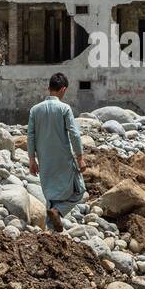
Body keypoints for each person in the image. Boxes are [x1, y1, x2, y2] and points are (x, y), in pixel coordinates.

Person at [27, 72, 85, 231]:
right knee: (79, 190)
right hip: (63, 159)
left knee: (50, 195)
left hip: (44, 160)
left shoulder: (35, 110)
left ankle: (51, 231)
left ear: (48, 88)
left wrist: (32, 160)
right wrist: (80, 157)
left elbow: (30, 135)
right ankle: (57, 212)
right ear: (63, 89)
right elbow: (74, 133)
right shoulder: (64, 108)